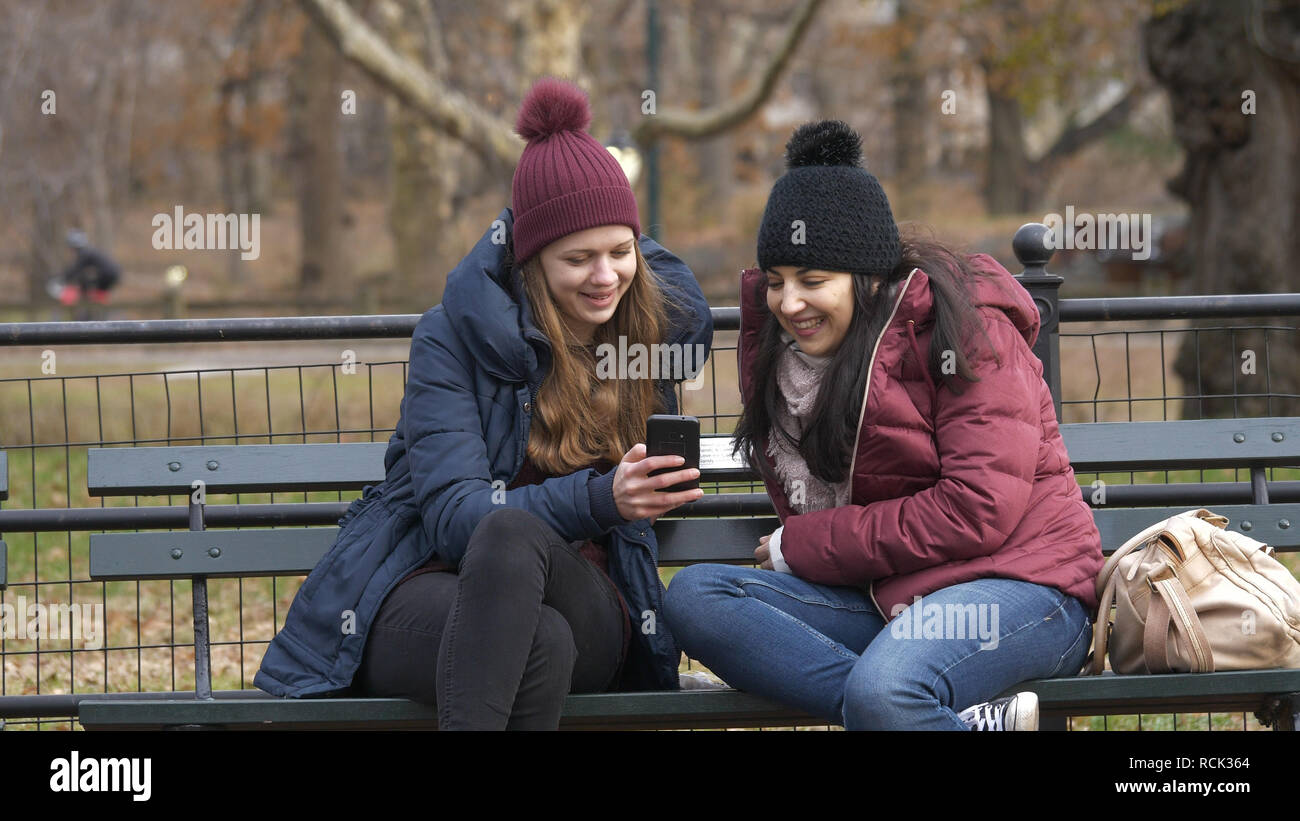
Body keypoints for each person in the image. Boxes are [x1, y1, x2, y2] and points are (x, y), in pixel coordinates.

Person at [254, 78, 713, 729]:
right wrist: (601, 498)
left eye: (620, 252)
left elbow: (696, 317)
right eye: (578, 258)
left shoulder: (644, 334)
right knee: (531, 619)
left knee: (537, 590)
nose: (605, 276)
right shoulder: (451, 336)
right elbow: (454, 517)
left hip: (590, 600)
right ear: (530, 259)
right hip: (432, 582)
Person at [663, 120, 1103, 731]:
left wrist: (803, 548)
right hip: (881, 598)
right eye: (776, 282)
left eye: (813, 281)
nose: (790, 304)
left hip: (1022, 587)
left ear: (868, 278)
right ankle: (949, 715)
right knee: (696, 597)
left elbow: (976, 508)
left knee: (886, 692)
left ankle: (904, 705)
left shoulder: (967, 332)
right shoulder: (791, 367)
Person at [54, 229, 121, 320]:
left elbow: (75, 268)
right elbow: (78, 269)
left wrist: (62, 279)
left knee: (86, 288)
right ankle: (93, 315)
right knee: (87, 286)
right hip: (112, 274)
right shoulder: (88, 251)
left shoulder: (85, 253)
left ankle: (91, 316)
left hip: (108, 274)